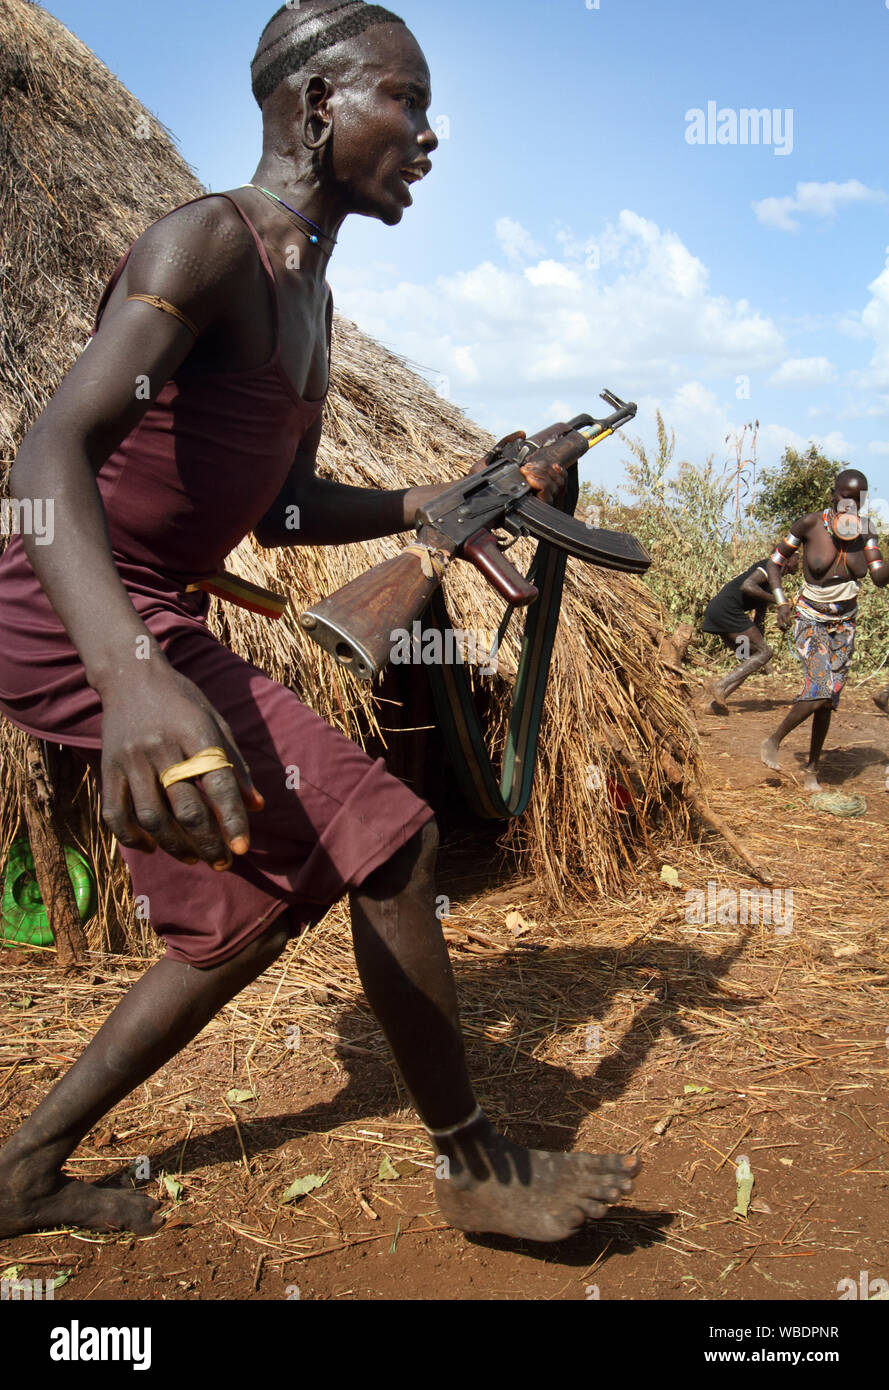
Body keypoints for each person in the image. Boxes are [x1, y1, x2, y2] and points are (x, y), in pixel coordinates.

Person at [0, 0, 637, 1244]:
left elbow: (284, 510)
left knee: (239, 915)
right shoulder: (209, 245)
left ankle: (19, 1174)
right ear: (314, 107)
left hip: (143, 609)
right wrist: (131, 674)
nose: (428, 132)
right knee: (388, 841)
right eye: (405, 99)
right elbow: (42, 461)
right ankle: (476, 1168)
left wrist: (441, 494)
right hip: (68, 603)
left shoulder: (314, 303)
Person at [760, 471, 889, 789]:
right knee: (819, 688)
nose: (851, 503)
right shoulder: (810, 524)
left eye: (858, 499)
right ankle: (774, 740)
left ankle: (812, 769)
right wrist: (780, 603)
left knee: (830, 698)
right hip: (810, 618)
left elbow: (878, 577)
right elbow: (775, 562)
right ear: (833, 495)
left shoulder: (866, 530)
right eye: (846, 496)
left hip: (845, 622)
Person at [702, 552, 800, 712]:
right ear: (787, 560)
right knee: (764, 653)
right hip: (727, 611)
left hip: (720, 611)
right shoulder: (768, 565)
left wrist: (764, 634)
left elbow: (759, 614)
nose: (799, 562)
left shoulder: (773, 581)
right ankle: (720, 685)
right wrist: (779, 601)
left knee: (752, 659)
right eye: (797, 558)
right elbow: (747, 586)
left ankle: (716, 705)